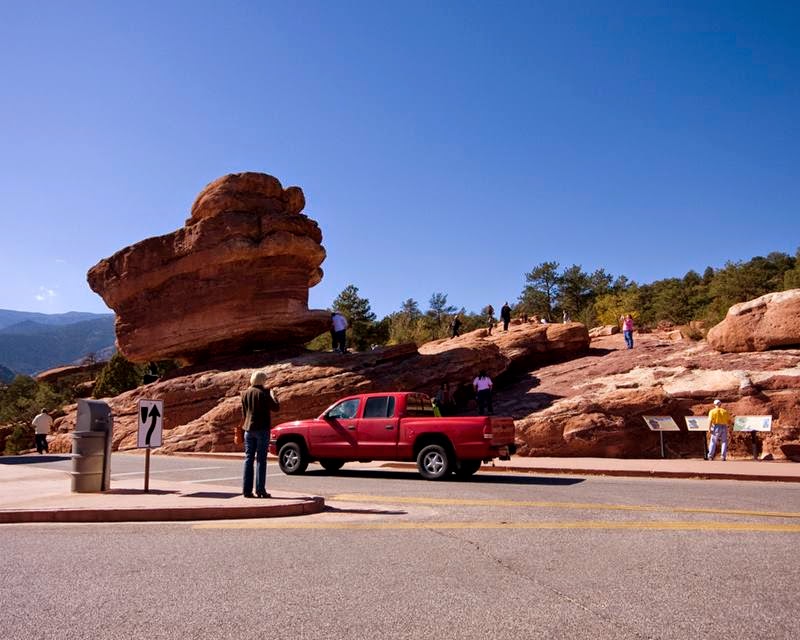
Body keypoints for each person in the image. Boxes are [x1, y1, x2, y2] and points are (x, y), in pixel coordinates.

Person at [238, 370, 280, 498]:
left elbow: (244, 413)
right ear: (262, 380)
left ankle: (246, 490)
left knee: (248, 459)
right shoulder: (264, 393)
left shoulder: (245, 393)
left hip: (248, 430)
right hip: (262, 429)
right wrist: (274, 395)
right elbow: (276, 408)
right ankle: (260, 489)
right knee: (261, 460)